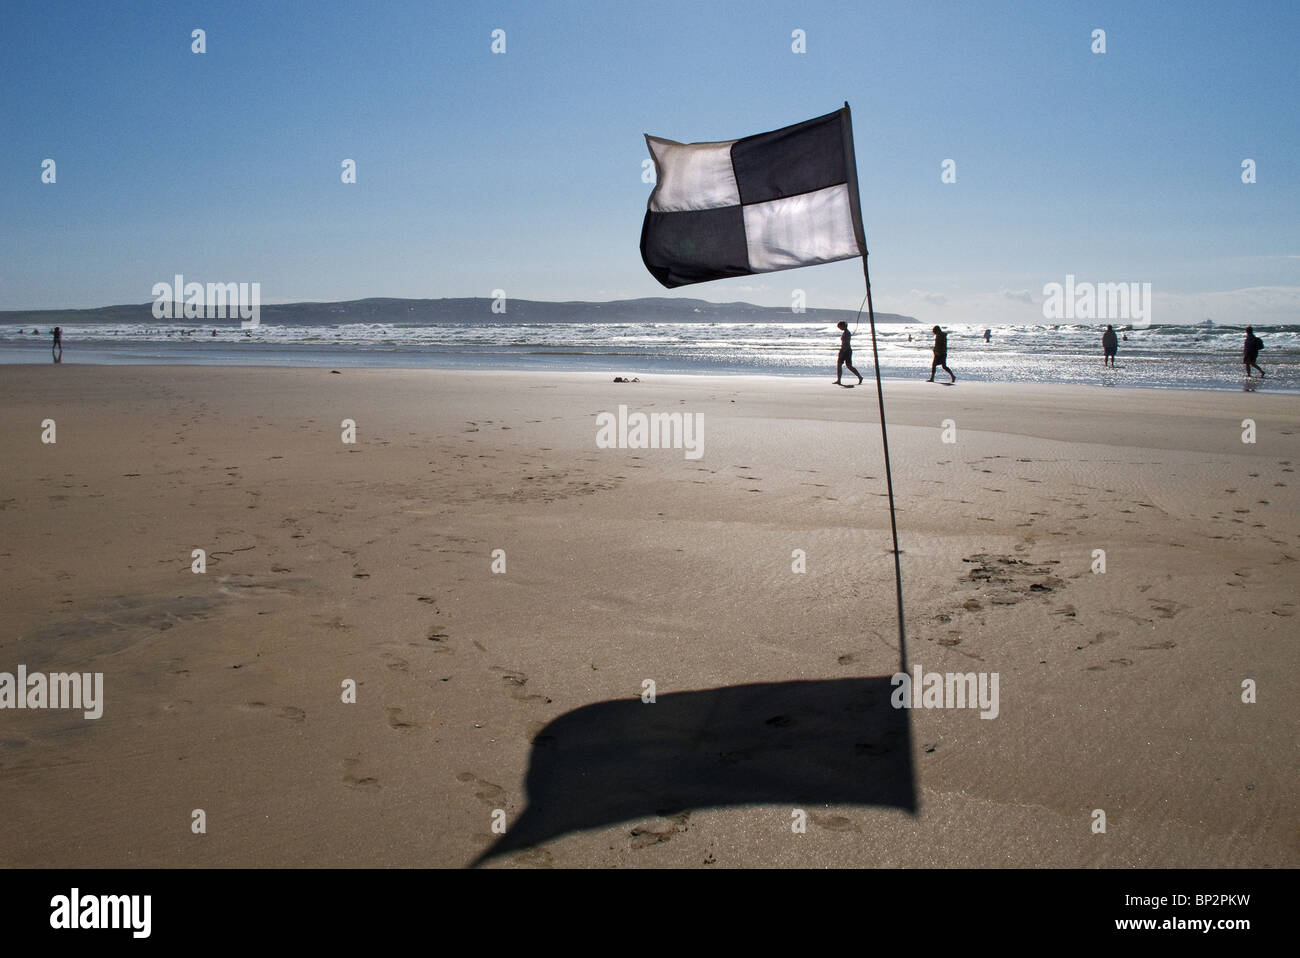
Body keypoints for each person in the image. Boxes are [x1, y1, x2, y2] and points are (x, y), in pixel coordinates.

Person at [834, 321, 862, 386]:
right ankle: (839, 380)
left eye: (840, 326)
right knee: (839, 365)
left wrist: (843, 351)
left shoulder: (847, 333)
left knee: (849, 366)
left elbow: (846, 344)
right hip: (845, 350)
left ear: (843, 326)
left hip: (846, 351)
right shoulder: (845, 332)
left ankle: (859, 377)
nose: (839, 328)